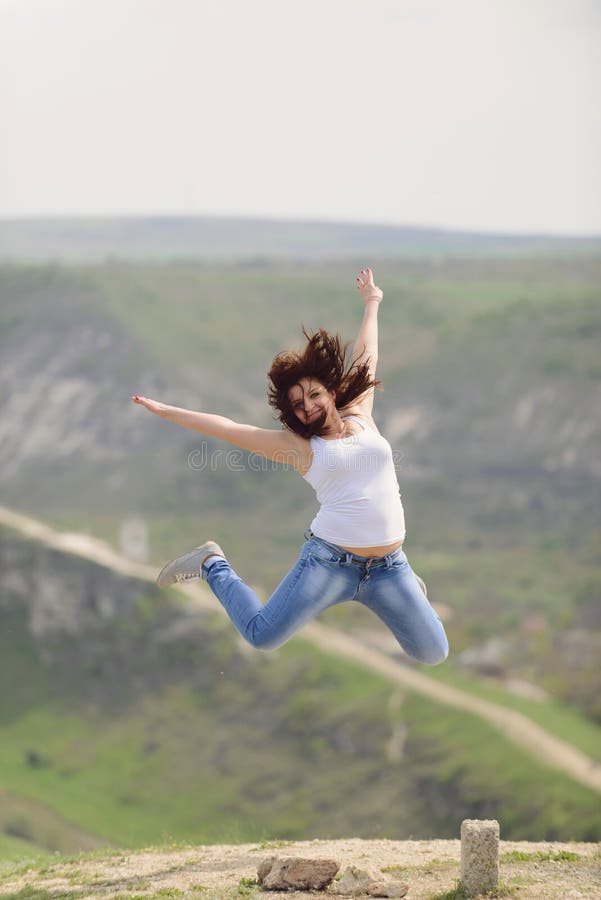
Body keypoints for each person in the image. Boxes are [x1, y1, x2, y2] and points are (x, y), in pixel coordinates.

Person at [132, 267, 448, 665]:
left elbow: (366, 355)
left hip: (390, 566)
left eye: (314, 395)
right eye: (299, 404)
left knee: (434, 652)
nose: (309, 406)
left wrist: (372, 302)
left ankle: (410, 592)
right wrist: (165, 410)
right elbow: (229, 428)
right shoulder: (301, 447)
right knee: (262, 635)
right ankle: (211, 563)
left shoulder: (361, 416)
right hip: (330, 563)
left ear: (331, 392)